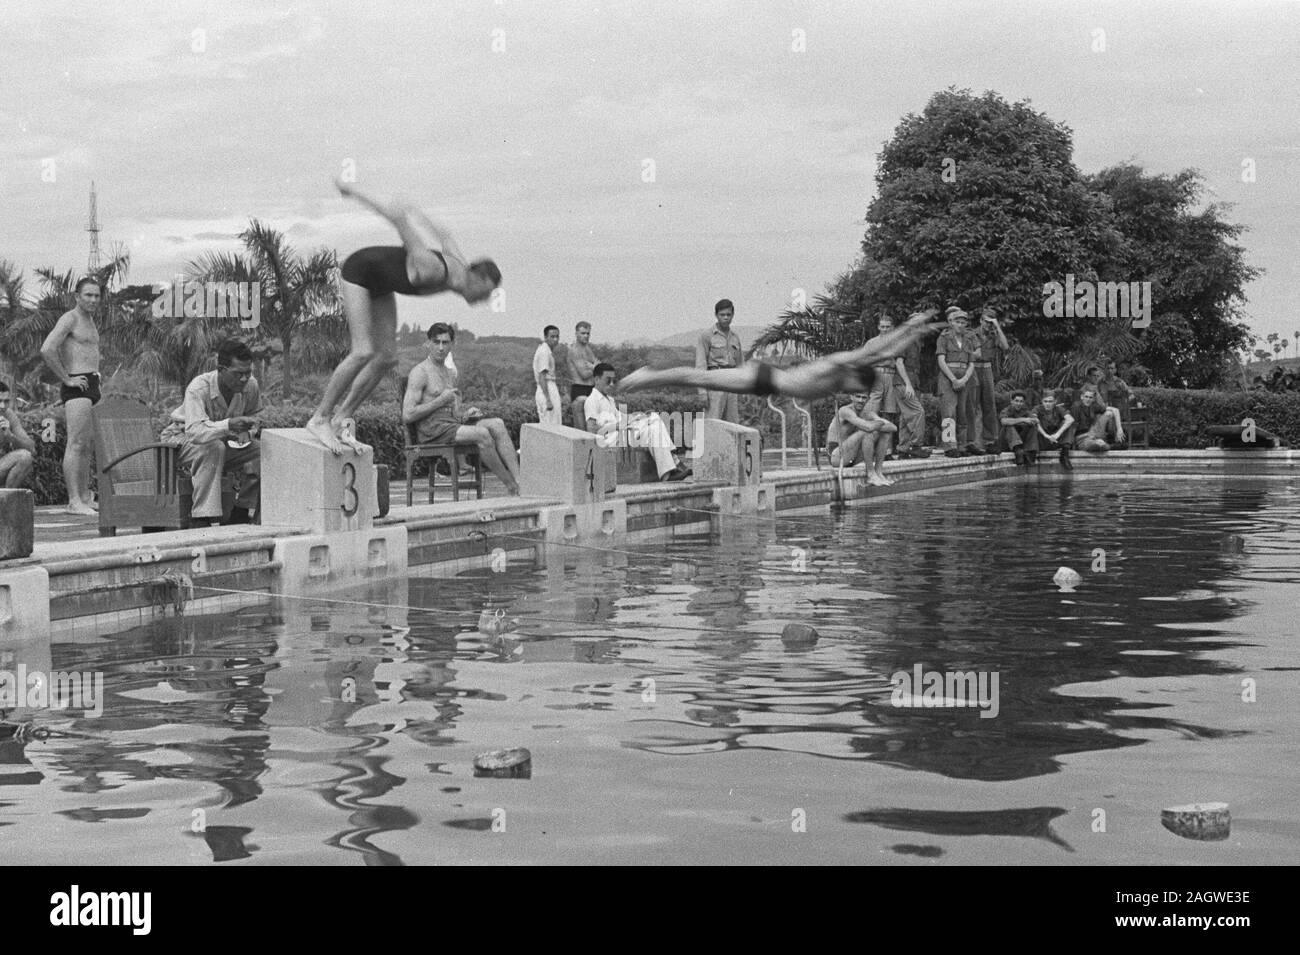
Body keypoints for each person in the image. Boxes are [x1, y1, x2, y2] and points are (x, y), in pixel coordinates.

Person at [306, 177, 502, 455]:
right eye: (484, 293)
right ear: (475, 278)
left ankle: (341, 420)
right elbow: (397, 219)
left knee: (387, 357)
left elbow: (445, 235)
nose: (483, 301)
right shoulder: (433, 269)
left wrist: (420, 211)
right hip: (359, 272)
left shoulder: (458, 264)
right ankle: (320, 418)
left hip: (382, 285)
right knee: (362, 351)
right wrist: (353, 191)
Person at [622, 310, 942, 402]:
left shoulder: (844, 378)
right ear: (856, 379)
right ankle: (648, 375)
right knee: (699, 377)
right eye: (861, 389)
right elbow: (872, 351)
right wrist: (909, 325)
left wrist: (914, 334)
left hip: (767, 384)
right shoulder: (839, 364)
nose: (858, 394)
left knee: (701, 379)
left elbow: (882, 354)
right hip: (761, 377)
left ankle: (650, 376)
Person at [404, 323, 520, 495]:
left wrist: (465, 414)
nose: (441, 348)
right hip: (431, 431)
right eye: (437, 342)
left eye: (445, 343)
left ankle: (520, 480)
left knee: (497, 424)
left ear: (452, 344)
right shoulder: (420, 372)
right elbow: (407, 415)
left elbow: (453, 414)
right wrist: (440, 400)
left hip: (449, 426)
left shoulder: (449, 373)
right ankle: (512, 486)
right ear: (428, 343)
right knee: (482, 435)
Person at [160, 340, 262, 526]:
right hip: (179, 440)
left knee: (262, 451)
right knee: (212, 446)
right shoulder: (198, 387)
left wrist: (248, 432)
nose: (244, 379)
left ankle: (241, 510)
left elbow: (254, 414)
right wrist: (229, 425)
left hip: (221, 442)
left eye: (248, 373)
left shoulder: (251, 385)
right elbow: (196, 433)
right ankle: (202, 517)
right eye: (238, 373)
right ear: (221, 369)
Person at [40, 276, 102, 514]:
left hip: (92, 383)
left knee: (87, 445)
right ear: (77, 296)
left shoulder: (90, 320)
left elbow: (88, 352)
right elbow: (47, 348)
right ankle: (73, 500)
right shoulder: (70, 318)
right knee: (75, 443)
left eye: (96, 295)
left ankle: (85, 497)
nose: (93, 299)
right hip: (77, 384)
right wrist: (66, 379)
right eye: (88, 295)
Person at [584, 363, 690, 482]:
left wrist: (638, 416)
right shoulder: (592, 400)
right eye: (608, 381)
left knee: (654, 418)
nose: (612, 384)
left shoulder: (609, 400)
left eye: (613, 381)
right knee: (653, 426)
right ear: (597, 379)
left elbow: (620, 417)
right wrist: (618, 426)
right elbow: (592, 429)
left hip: (624, 432)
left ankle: (669, 471)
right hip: (614, 439)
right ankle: (674, 464)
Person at [935, 307, 982, 456]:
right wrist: (954, 379)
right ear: (951, 323)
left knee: (962, 413)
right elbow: (941, 360)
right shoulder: (944, 338)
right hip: (948, 378)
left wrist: (964, 379)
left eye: (963, 322)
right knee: (949, 413)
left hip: (964, 379)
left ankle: (962, 446)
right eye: (957, 322)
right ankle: (950, 447)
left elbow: (972, 362)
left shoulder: (968, 340)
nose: (960, 325)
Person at [827, 392, 897, 486]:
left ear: (868, 399)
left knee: (884, 434)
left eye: (864, 398)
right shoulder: (845, 411)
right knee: (867, 432)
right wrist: (878, 424)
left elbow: (893, 427)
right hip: (836, 456)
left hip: (851, 456)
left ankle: (878, 473)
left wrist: (875, 425)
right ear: (851, 396)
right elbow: (868, 428)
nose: (860, 400)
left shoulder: (868, 413)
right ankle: (870, 475)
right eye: (858, 397)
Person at [695, 299, 744, 423]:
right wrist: (702, 392)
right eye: (722, 315)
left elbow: (740, 365)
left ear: (733, 315)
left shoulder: (735, 337)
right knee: (713, 424)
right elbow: (700, 366)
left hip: (732, 386)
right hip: (714, 385)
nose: (726, 318)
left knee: (732, 426)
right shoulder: (706, 336)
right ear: (716, 315)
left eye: (728, 314)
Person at [889, 310, 929, 458]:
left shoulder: (916, 341)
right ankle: (915, 445)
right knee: (918, 412)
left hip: (913, 380)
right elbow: (899, 363)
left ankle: (903, 448)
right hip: (903, 382)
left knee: (906, 417)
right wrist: (908, 384)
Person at [973, 306, 1009, 450]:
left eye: (991, 322)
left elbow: (1005, 347)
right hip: (974, 367)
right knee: (974, 406)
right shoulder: (971, 334)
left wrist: (997, 327)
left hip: (987, 368)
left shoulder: (994, 335)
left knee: (989, 405)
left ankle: (989, 441)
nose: (988, 325)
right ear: (981, 320)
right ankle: (975, 443)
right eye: (986, 322)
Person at [0, 381, 36, 489]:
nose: (2, 406)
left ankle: (5, 501)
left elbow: (31, 448)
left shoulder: (9, 415)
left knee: (25, 457)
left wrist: (11, 437)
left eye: (6, 401)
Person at [1070, 384, 1125, 453]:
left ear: (1093, 399)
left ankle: (1105, 442)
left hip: (1093, 433)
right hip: (1081, 437)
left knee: (1109, 413)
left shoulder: (1093, 405)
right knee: (1098, 446)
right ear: (1082, 397)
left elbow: (1115, 410)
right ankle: (1100, 444)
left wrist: (1119, 429)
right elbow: (1072, 427)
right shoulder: (1076, 407)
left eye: (1090, 397)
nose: (1088, 399)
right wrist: (1070, 445)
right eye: (1086, 397)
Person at [565, 321, 598, 429]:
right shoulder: (574, 350)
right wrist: (595, 367)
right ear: (576, 334)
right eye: (583, 333)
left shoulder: (588, 349)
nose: (586, 336)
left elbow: (602, 367)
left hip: (591, 389)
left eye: (588, 333)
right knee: (582, 432)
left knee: (593, 430)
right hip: (579, 390)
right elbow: (584, 374)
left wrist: (593, 367)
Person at [1033, 390, 1075, 469]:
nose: (1048, 404)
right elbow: (1033, 420)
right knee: (1034, 422)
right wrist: (1046, 435)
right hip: (1043, 440)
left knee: (1066, 423)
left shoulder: (1058, 409)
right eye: (1045, 401)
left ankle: (1064, 455)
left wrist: (1057, 434)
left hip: (1055, 440)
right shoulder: (1037, 409)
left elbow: (1070, 419)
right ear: (1042, 401)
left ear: (1055, 401)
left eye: (1050, 401)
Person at [998, 391, 1039, 466]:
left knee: (1032, 426)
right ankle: (1017, 450)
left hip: (1020, 442)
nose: (1018, 404)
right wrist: (1023, 420)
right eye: (1016, 401)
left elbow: (1036, 420)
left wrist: (1031, 420)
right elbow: (1004, 421)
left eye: (1021, 401)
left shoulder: (1025, 411)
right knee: (1008, 425)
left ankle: (1030, 451)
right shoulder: (1006, 410)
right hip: (1006, 442)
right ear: (1011, 401)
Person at [533, 325, 562, 426]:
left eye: (557, 336)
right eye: (552, 336)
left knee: (554, 422)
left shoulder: (547, 351)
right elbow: (542, 377)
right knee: (551, 425)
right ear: (545, 337)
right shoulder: (544, 352)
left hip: (549, 387)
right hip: (547, 388)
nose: (555, 339)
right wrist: (548, 399)